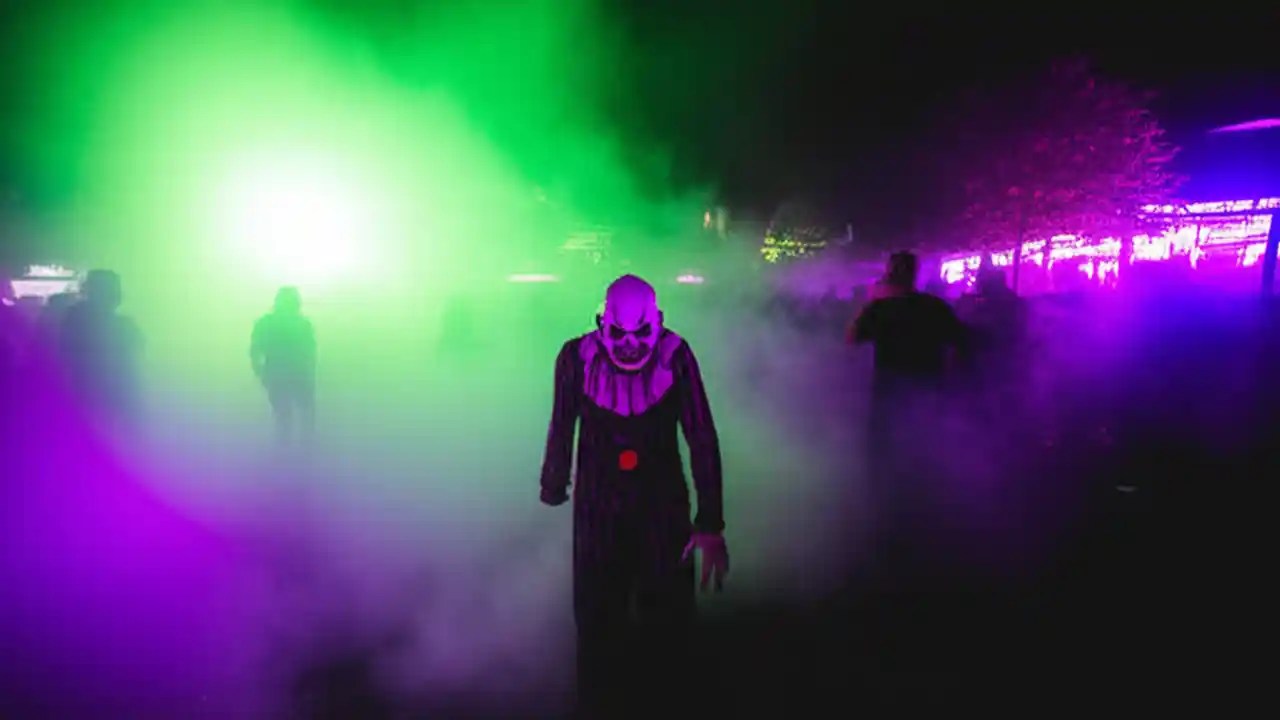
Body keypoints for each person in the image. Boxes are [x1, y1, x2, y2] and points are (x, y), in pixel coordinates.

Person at [539, 274, 729, 718]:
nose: (628, 345)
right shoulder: (575, 358)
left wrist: (710, 522)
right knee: (597, 625)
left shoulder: (675, 355)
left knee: (669, 628)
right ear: (601, 322)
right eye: (618, 333)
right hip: (598, 509)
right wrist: (553, 482)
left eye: (640, 332)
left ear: (658, 322)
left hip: (661, 509)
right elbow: (561, 424)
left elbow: (701, 436)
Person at [848, 252, 965, 565]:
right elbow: (961, 340)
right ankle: (925, 526)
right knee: (924, 460)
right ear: (915, 275)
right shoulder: (934, 307)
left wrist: (872, 301)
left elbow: (851, 338)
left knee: (886, 464)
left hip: (889, 397)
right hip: (928, 394)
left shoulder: (879, 308)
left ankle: (887, 528)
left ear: (888, 275)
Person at [60, 270, 145, 427]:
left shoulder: (73, 319)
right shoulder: (122, 325)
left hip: (88, 397)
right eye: (113, 289)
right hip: (102, 397)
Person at [250, 287, 316, 446]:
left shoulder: (266, 323)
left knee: (284, 416)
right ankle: (302, 453)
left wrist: (259, 371)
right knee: (302, 415)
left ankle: (286, 454)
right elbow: (311, 351)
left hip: (279, 375)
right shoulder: (302, 324)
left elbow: (255, 350)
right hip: (296, 375)